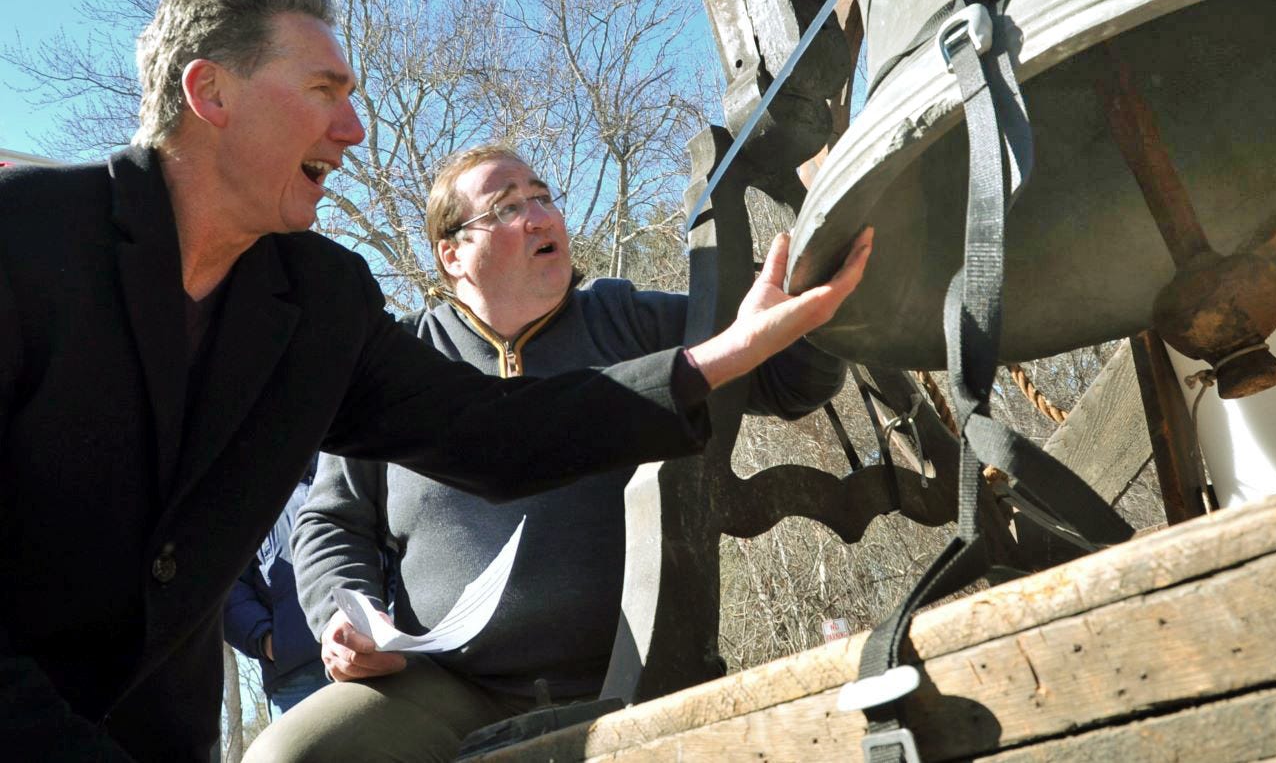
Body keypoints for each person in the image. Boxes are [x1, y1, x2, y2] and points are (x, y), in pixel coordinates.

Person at [0, 0, 871, 761]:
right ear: (210, 91)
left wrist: (718, 357)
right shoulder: (21, 236)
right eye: (324, 90)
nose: (355, 128)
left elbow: (494, 433)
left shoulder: (320, 302)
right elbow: (330, 525)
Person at [248, 145, 846, 760]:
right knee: (288, 756)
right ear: (451, 253)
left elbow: (791, 381)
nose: (541, 216)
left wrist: (826, 247)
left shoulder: (628, 320)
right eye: (507, 207)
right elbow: (329, 520)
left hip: (638, 669)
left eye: (543, 197)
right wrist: (345, 616)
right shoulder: (399, 363)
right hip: (450, 686)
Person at [222, 464, 330, 717]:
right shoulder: (243, 494)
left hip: (376, 653)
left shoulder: (352, 463)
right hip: (296, 676)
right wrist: (268, 641)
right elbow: (226, 583)